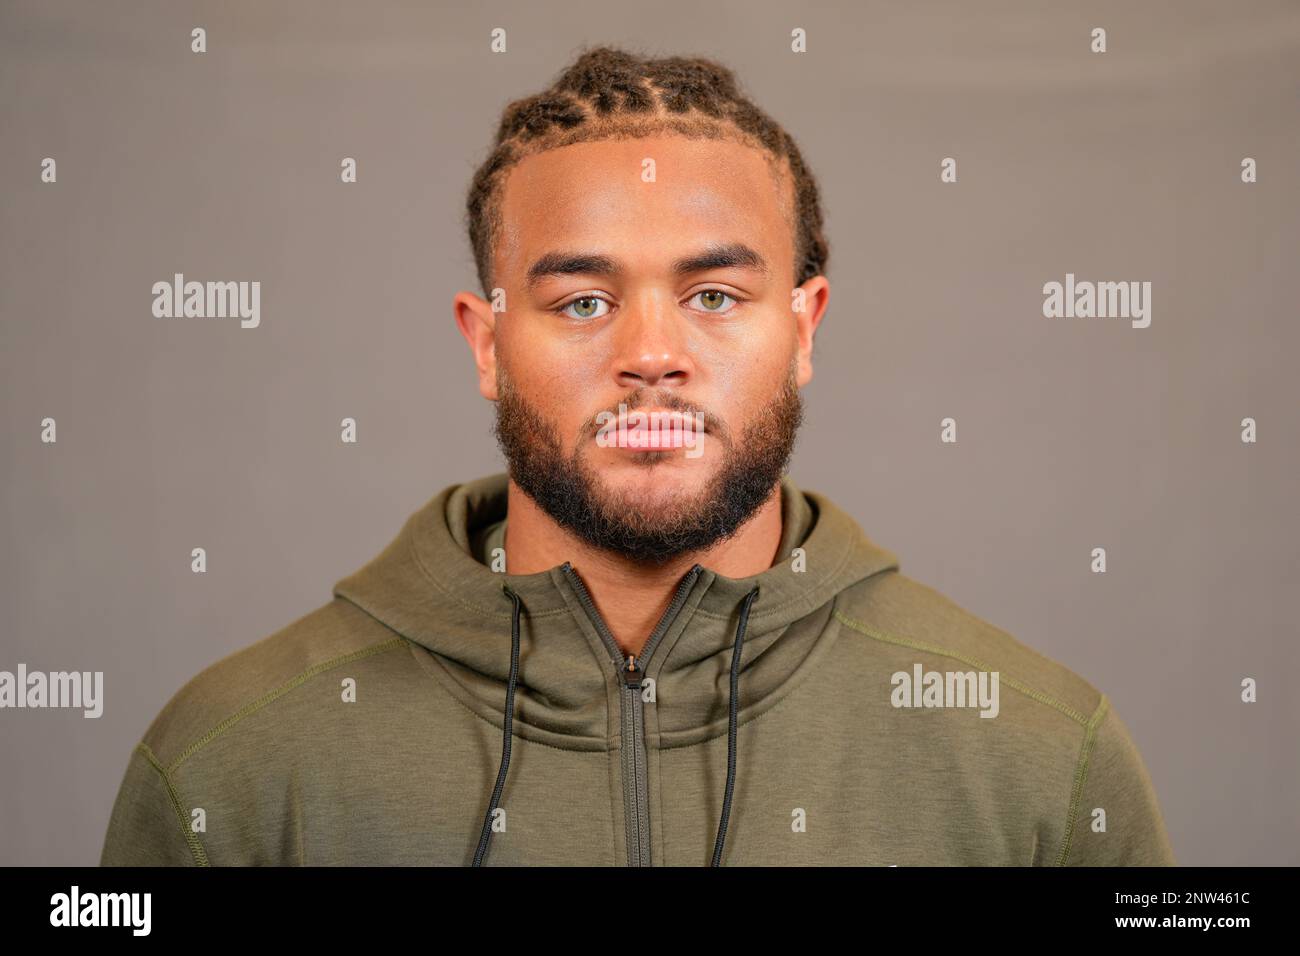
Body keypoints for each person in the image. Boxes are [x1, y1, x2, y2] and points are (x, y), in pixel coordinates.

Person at [100, 46, 1175, 866]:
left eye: (714, 296)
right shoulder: (230, 765)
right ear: (486, 341)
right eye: (582, 301)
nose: (651, 355)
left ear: (803, 330)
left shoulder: (1038, 751)